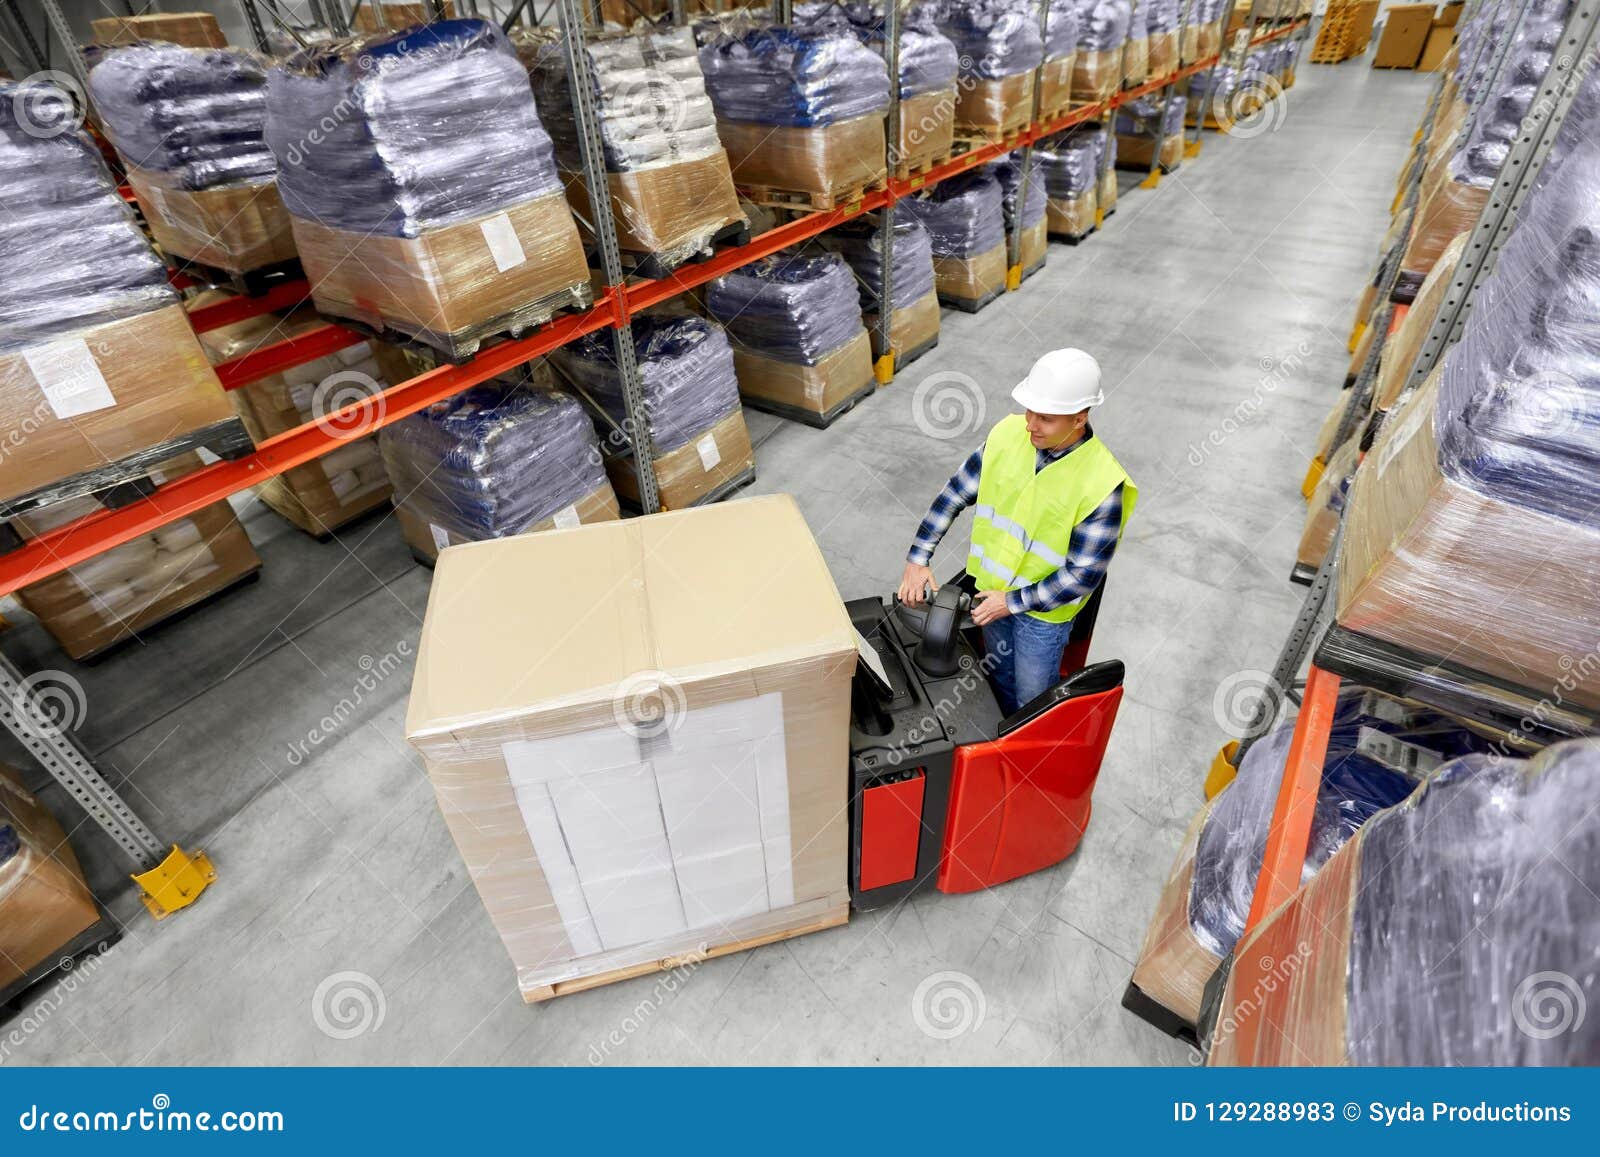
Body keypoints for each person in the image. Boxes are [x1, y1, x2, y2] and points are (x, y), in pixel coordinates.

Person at [898, 348, 1137, 714]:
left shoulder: (1102, 484)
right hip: (991, 594)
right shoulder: (1006, 436)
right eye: (1029, 411)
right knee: (999, 681)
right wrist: (918, 558)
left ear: (1079, 418)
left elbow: (1082, 576)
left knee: (1032, 702)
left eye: (1045, 418)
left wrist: (1011, 603)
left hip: (1041, 617)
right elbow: (954, 494)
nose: (1030, 425)